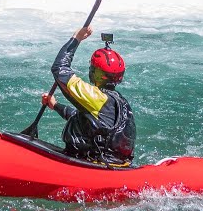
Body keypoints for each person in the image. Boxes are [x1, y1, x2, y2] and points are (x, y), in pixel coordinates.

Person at [39, 25, 135, 166]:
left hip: (95, 165)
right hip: (115, 164)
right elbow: (84, 118)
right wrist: (55, 105)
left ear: (94, 72)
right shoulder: (119, 101)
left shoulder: (97, 97)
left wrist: (76, 38)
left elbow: (59, 69)